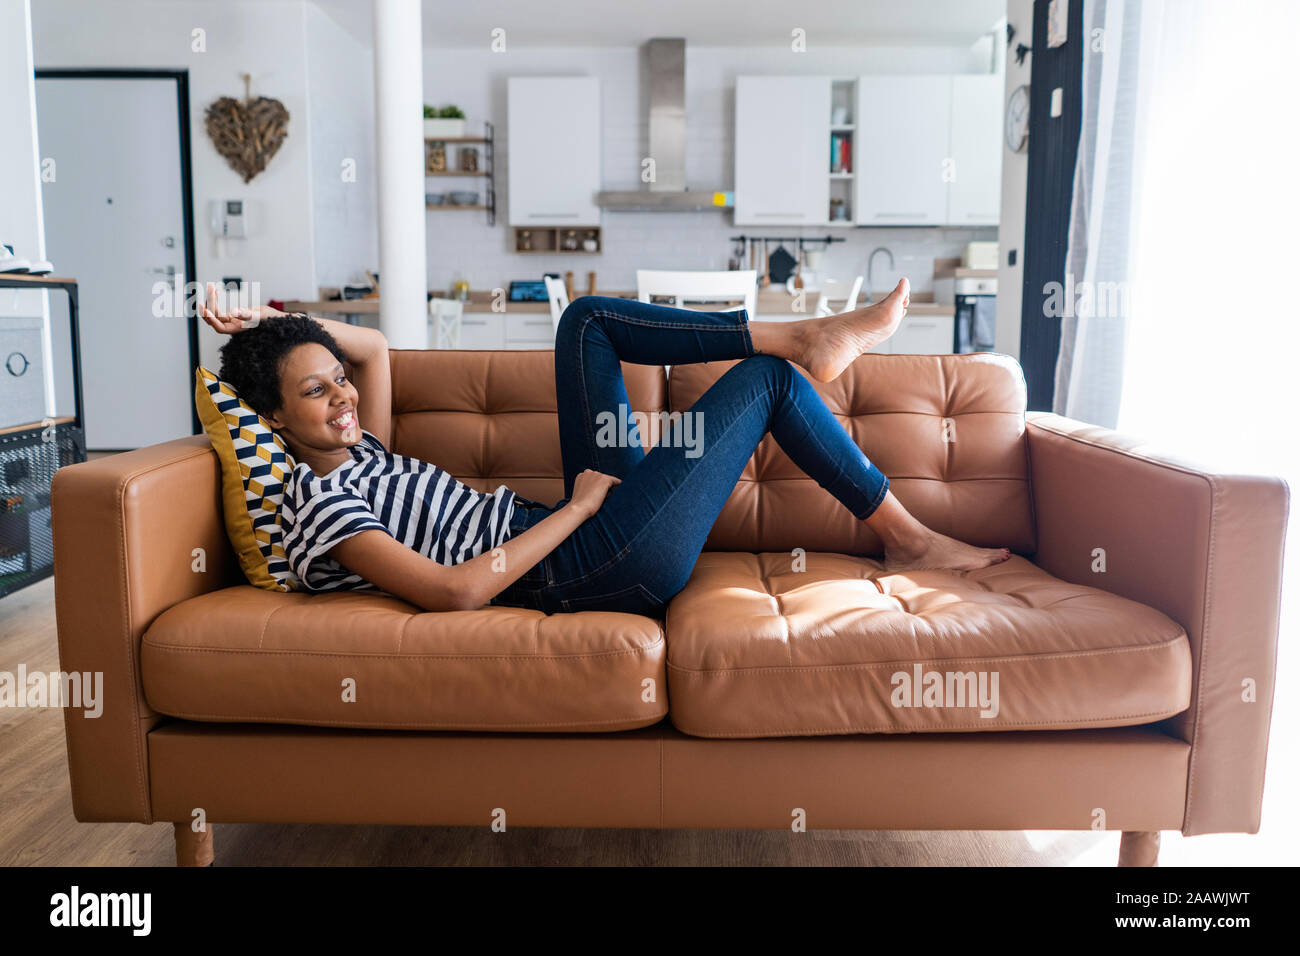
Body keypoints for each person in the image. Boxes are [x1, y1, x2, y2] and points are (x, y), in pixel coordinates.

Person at [202, 279, 1009, 616]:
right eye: (315, 391)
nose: (343, 394)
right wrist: (582, 507)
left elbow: (374, 347)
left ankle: (804, 338)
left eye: (335, 381)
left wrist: (278, 330)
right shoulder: (319, 501)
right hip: (586, 564)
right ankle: (906, 536)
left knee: (583, 319)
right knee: (766, 382)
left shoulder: (363, 450)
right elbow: (452, 594)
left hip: (583, 530)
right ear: (272, 420)